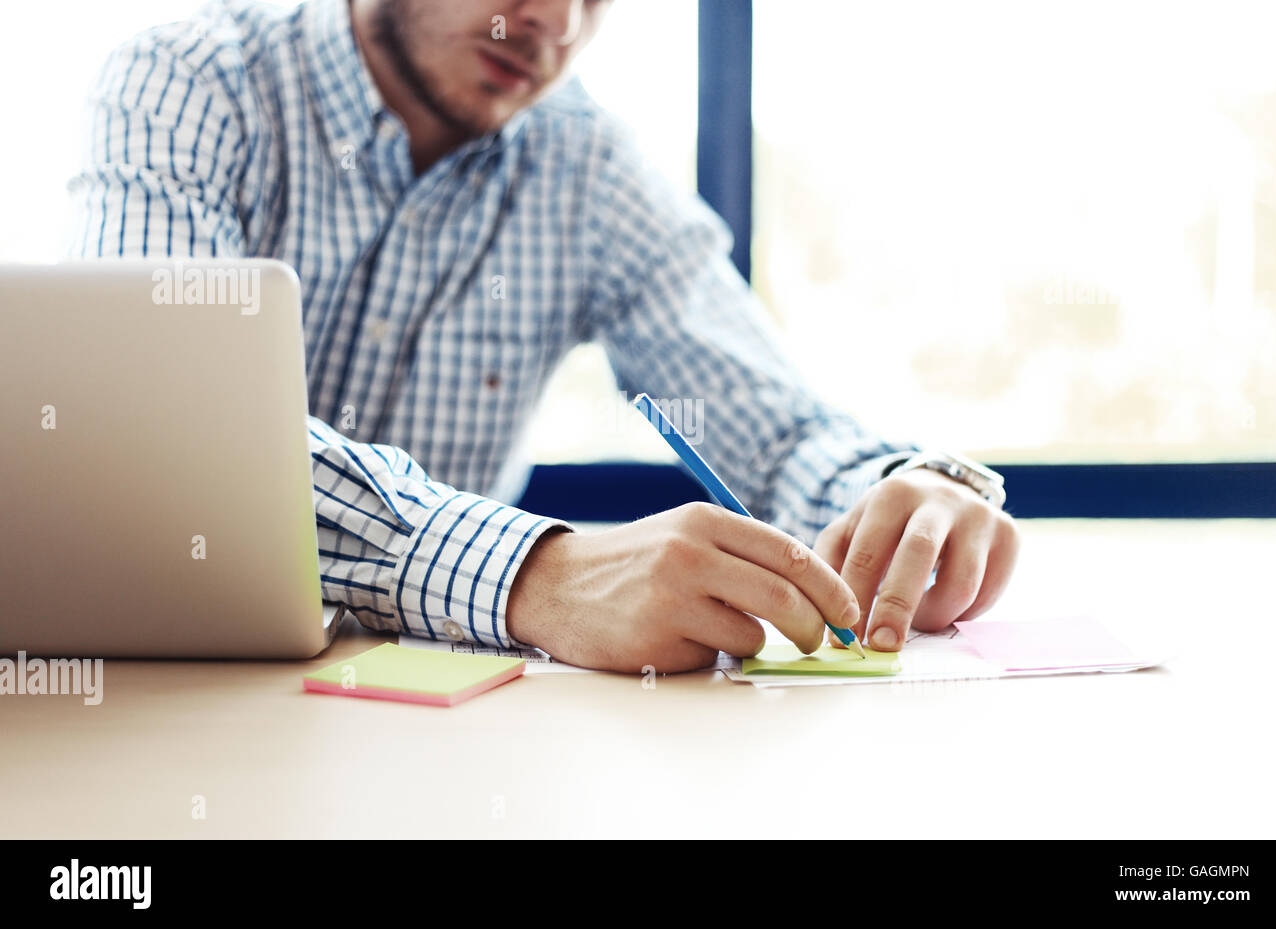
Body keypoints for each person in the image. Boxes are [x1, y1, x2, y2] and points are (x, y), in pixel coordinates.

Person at [69, 0, 1019, 672]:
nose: (557, 23)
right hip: (162, 697)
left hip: (430, 730)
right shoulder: (192, 84)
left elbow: (773, 431)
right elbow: (165, 441)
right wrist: (537, 575)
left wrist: (896, 495)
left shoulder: (588, 170)